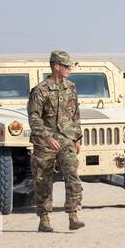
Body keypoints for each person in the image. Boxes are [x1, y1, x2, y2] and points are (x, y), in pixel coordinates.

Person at [27, 50, 84, 232]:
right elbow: (34, 116)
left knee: (72, 174)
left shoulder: (71, 87)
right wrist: (46, 137)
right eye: (66, 66)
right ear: (56, 67)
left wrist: (77, 137)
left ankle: (73, 215)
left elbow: (75, 113)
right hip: (46, 141)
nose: (69, 69)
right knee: (43, 179)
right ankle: (44, 218)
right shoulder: (40, 90)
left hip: (66, 139)